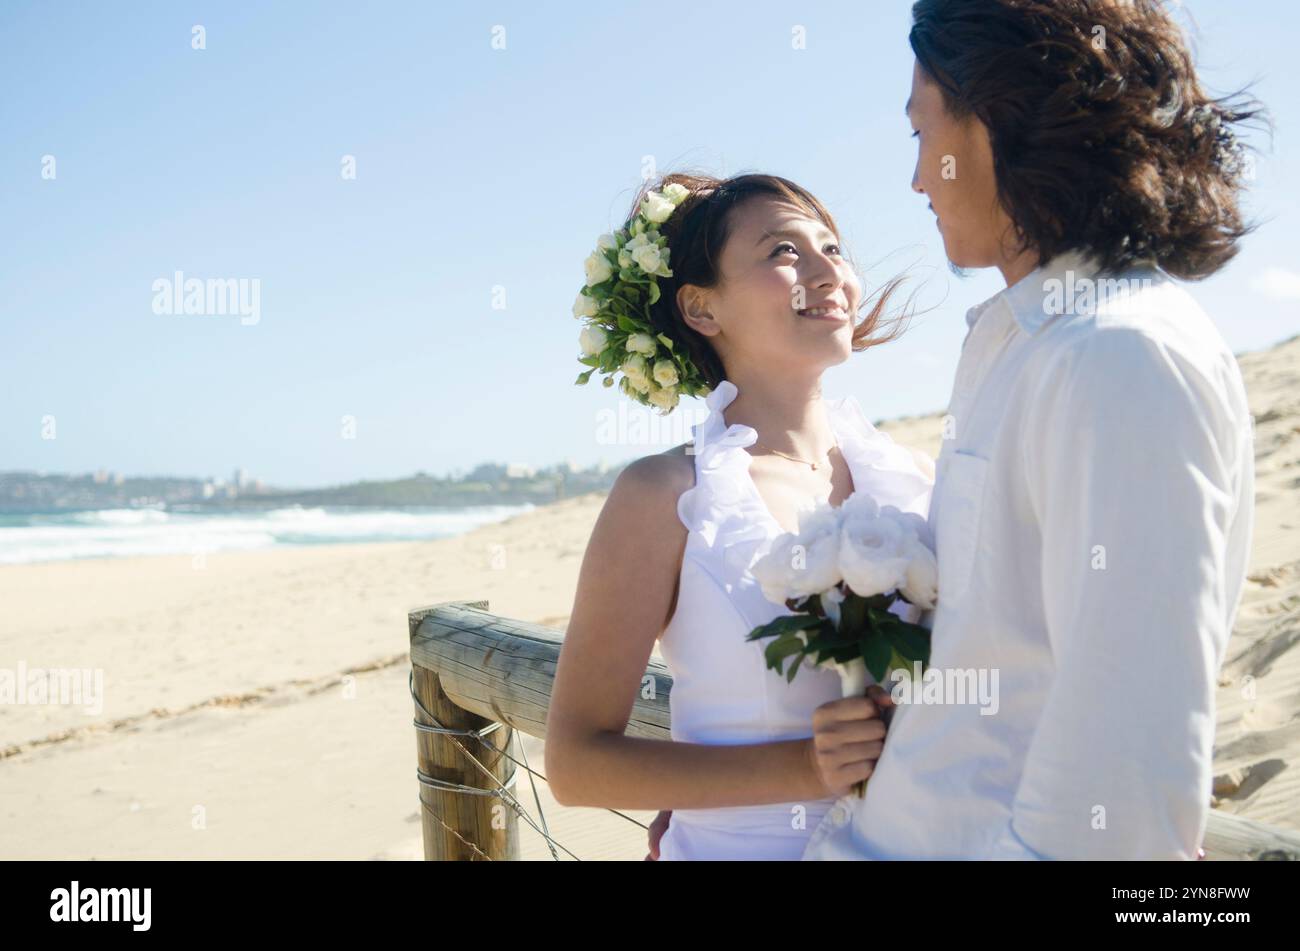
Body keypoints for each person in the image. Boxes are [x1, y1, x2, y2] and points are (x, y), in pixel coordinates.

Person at [802, 0, 1260, 860]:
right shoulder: (1015, 341)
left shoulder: (1121, 358)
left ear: (999, 117)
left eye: (919, 135)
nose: (916, 180)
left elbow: (1121, 790)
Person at [546, 172, 933, 859]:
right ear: (701, 308)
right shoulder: (666, 496)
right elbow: (576, 762)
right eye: (783, 252)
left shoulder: (914, 483)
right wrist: (806, 767)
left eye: (833, 248)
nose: (827, 271)